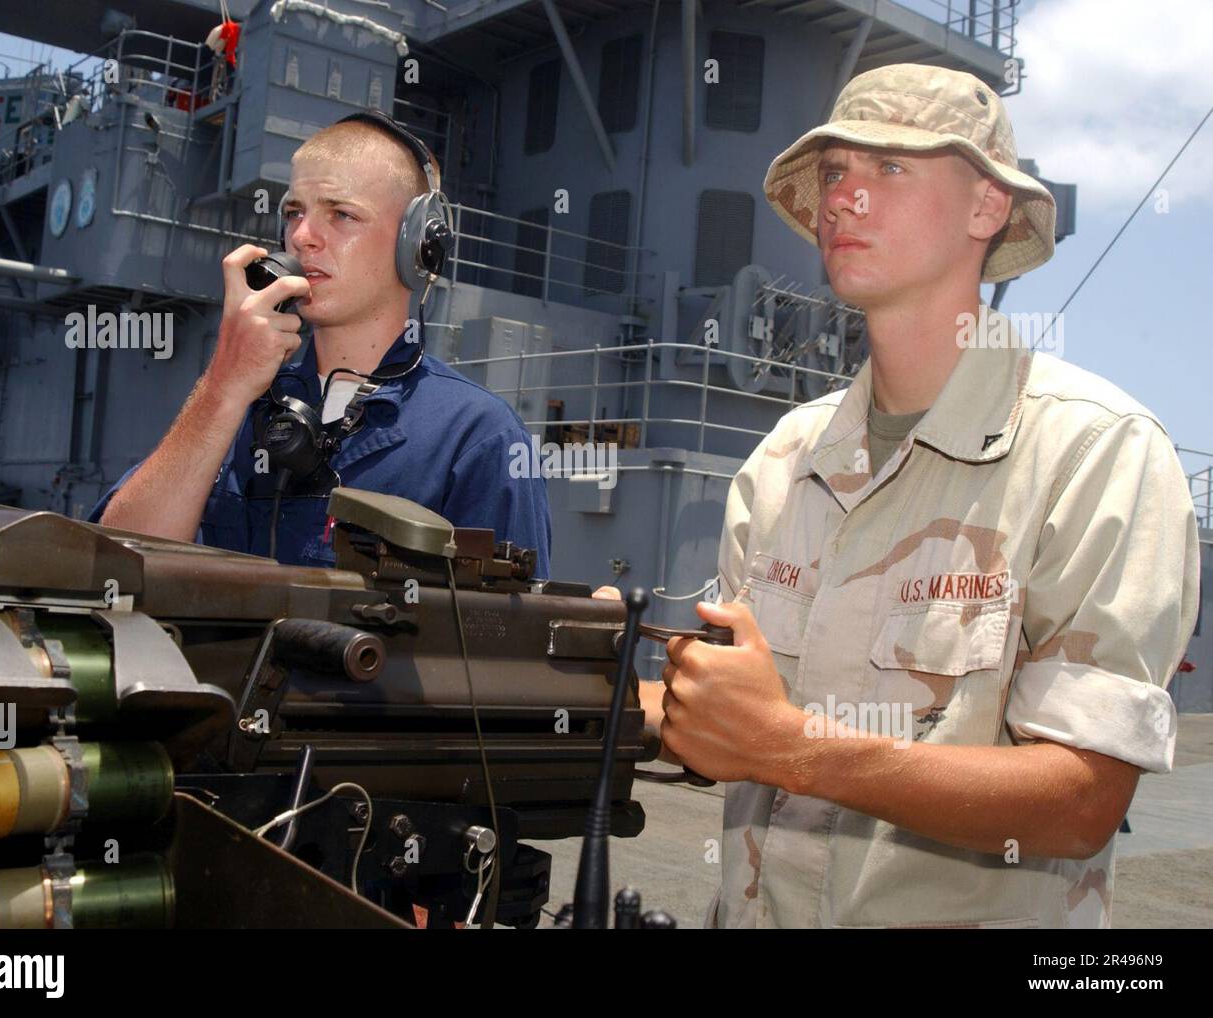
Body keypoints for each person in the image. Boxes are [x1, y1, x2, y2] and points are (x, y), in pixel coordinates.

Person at [600, 63, 1199, 928]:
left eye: (890, 169)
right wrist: (576, 671)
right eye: (836, 173)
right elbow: (730, 727)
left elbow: (1080, 800)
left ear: (987, 208)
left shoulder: (1094, 453)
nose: (844, 198)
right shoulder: (784, 462)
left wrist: (794, 749)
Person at [92, 112, 551, 575]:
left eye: (342, 214)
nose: (302, 236)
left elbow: (506, 639)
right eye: (294, 212)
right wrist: (223, 387)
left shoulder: (476, 438)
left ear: (417, 245)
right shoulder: (240, 402)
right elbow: (116, 564)